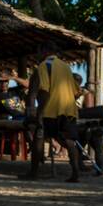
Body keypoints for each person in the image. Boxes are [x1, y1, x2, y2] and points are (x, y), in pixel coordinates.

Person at [26, 51, 83, 182]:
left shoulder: (44, 66)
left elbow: (44, 91)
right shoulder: (66, 67)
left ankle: (34, 173)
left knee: (39, 138)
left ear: (44, 50)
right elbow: (76, 92)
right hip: (68, 110)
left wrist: (39, 112)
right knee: (69, 142)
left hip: (50, 110)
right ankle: (75, 173)